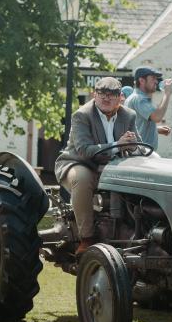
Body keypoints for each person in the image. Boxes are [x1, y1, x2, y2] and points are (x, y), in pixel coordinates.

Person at [54, 77, 139, 255]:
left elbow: (137, 145)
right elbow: (85, 150)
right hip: (80, 163)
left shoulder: (129, 115)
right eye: (102, 94)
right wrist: (118, 144)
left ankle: (133, 232)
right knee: (82, 179)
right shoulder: (82, 115)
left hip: (112, 167)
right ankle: (87, 238)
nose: (106, 98)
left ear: (120, 97)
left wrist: (133, 145)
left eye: (112, 94)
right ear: (95, 95)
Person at [125, 66, 172, 148]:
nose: (156, 82)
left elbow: (136, 126)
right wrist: (167, 94)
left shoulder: (135, 97)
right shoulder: (139, 98)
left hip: (140, 151)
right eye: (153, 78)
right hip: (142, 152)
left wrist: (156, 130)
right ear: (142, 80)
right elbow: (157, 117)